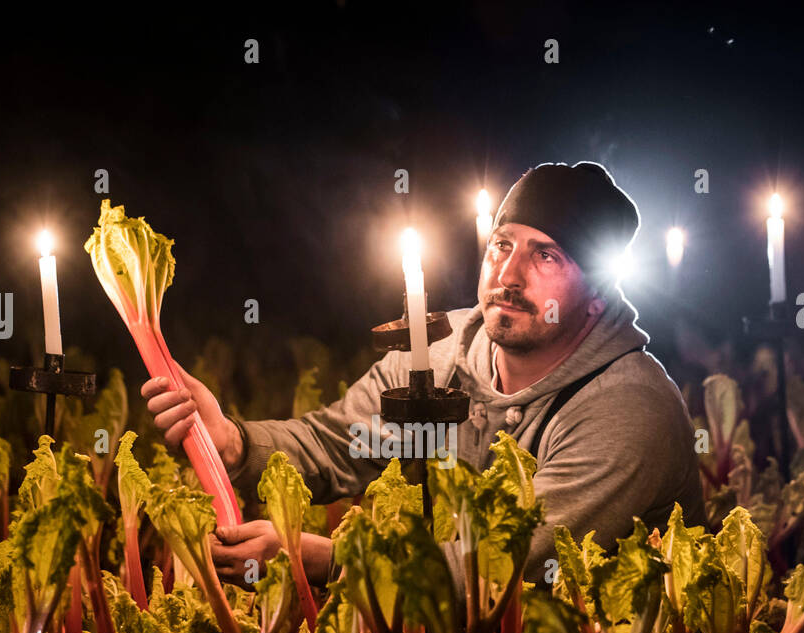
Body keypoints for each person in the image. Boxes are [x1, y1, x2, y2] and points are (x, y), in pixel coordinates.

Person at [142, 161, 707, 586]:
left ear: (599, 297)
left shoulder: (628, 407)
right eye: (502, 245)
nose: (507, 275)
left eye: (547, 256)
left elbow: (503, 566)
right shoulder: (438, 353)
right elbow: (340, 442)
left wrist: (324, 559)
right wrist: (234, 443)